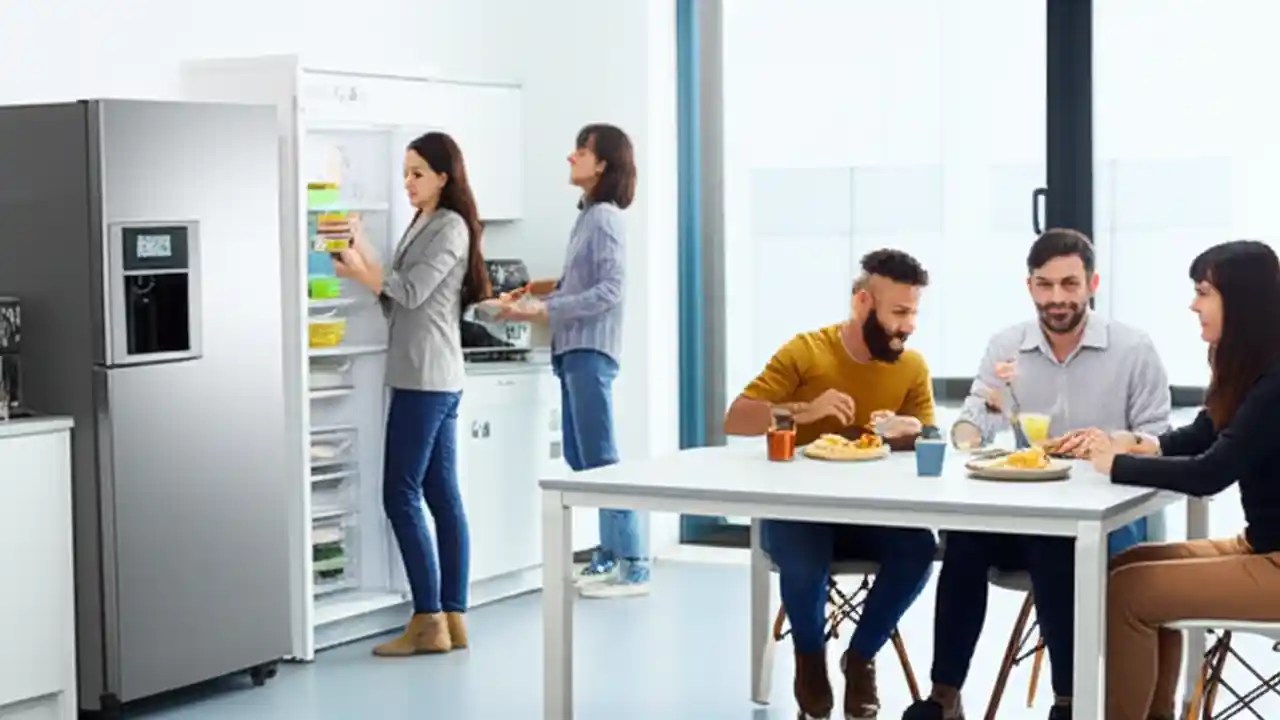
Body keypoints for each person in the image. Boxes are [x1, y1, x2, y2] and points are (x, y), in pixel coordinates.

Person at [904, 229, 1171, 720]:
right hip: (1025, 511)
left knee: (1055, 544)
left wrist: (1114, 443)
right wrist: (968, 430)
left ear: (1092, 283)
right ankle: (945, 696)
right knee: (963, 539)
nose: (1057, 298)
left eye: (1069, 284)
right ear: (1029, 287)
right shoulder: (1008, 345)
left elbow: (1159, 436)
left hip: (1107, 521)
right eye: (1044, 285)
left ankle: (1069, 700)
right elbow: (972, 423)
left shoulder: (1133, 349)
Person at [723, 249, 939, 720]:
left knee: (920, 549)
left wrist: (910, 433)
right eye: (899, 312)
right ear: (863, 303)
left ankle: (860, 658)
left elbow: (930, 441)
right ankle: (810, 660)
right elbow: (735, 418)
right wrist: (805, 410)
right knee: (803, 559)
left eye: (914, 312)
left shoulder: (912, 367)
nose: (910, 325)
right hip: (799, 511)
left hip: (874, 513)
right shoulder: (806, 351)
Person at [1084, 240, 1280, 720]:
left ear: (1242, 299)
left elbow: (1210, 473)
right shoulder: (1251, 367)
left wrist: (1116, 465)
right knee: (1123, 568)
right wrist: (1145, 444)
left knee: (1131, 593)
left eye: (1204, 291)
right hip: (1261, 544)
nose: (1194, 304)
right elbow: (1206, 432)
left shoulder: (1276, 380)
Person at [332, 131, 490, 655]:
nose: (408, 182)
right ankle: (453, 616)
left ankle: (428, 619)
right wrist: (366, 253)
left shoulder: (450, 226)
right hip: (427, 375)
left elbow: (411, 292)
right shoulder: (424, 222)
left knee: (399, 493)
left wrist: (362, 274)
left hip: (426, 378)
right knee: (441, 495)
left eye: (418, 172)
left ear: (445, 176)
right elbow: (398, 287)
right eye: (405, 172)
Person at [496, 123, 649, 598]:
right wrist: (537, 288)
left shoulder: (604, 217)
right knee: (585, 460)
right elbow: (579, 280)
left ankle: (634, 565)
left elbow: (610, 290)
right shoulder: (586, 216)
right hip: (573, 349)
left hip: (590, 349)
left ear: (601, 164)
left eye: (580, 152)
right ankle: (608, 557)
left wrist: (546, 307)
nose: (570, 158)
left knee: (603, 461)